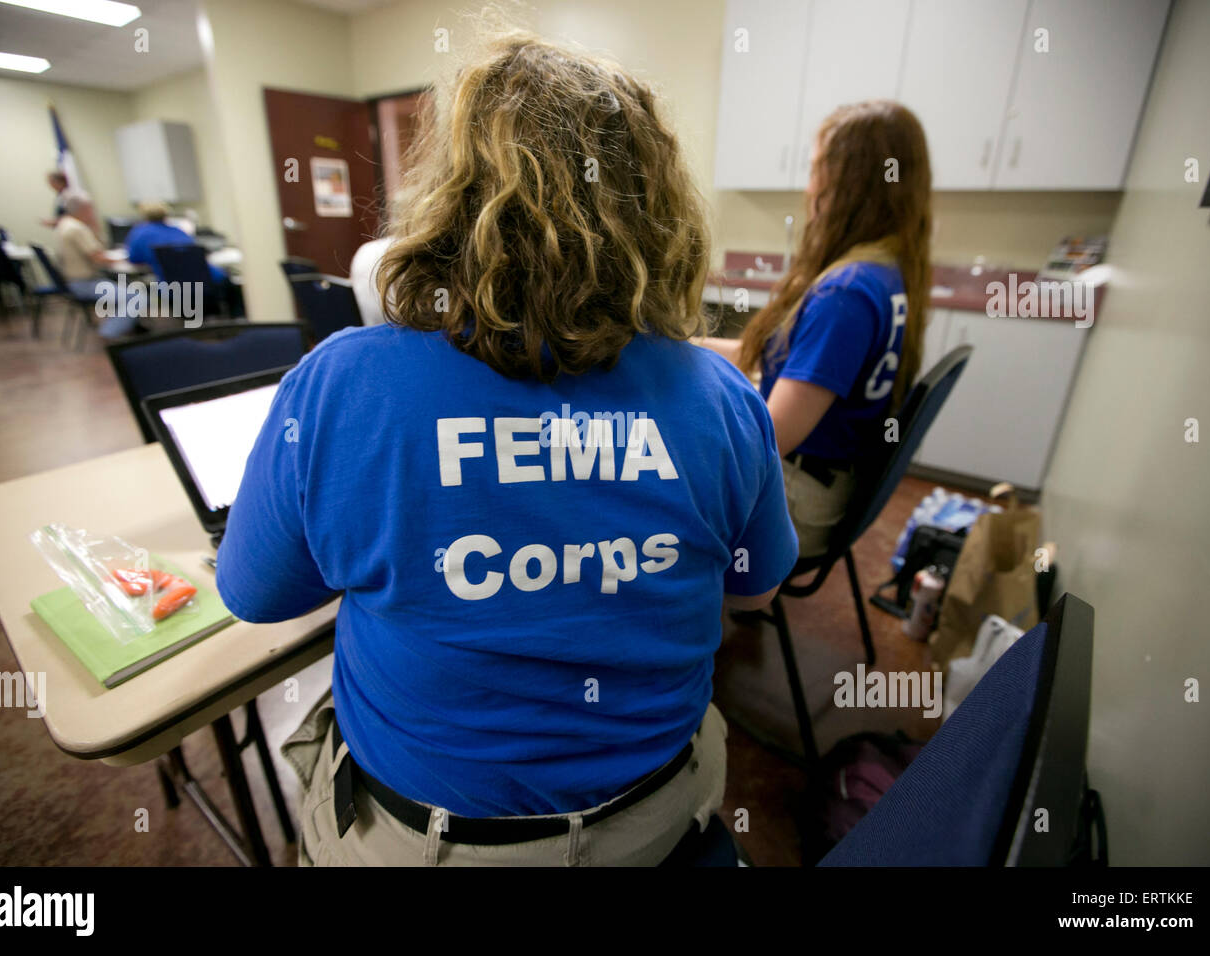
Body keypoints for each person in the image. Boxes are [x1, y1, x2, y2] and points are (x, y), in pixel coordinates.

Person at [216, 31, 798, 867]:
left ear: (450, 192)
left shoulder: (343, 386)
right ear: (654, 201)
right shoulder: (720, 398)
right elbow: (755, 593)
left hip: (434, 845)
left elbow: (257, 597)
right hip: (660, 822)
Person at [699, 100, 932, 562]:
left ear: (848, 185)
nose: (809, 190)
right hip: (830, 486)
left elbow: (774, 434)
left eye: (816, 171)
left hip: (801, 505)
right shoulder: (886, 272)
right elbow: (763, 358)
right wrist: (686, 347)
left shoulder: (845, 293)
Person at [123, 201, 227, 284]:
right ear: (166, 215)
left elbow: (134, 259)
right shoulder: (178, 231)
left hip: (173, 284)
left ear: (144, 216)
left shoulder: (139, 233)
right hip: (206, 280)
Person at [53, 195, 111, 282]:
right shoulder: (77, 228)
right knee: (133, 295)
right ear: (84, 210)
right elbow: (98, 258)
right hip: (85, 281)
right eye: (91, 209)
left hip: (71, 280)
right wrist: (125, 259)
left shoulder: (64, 223)